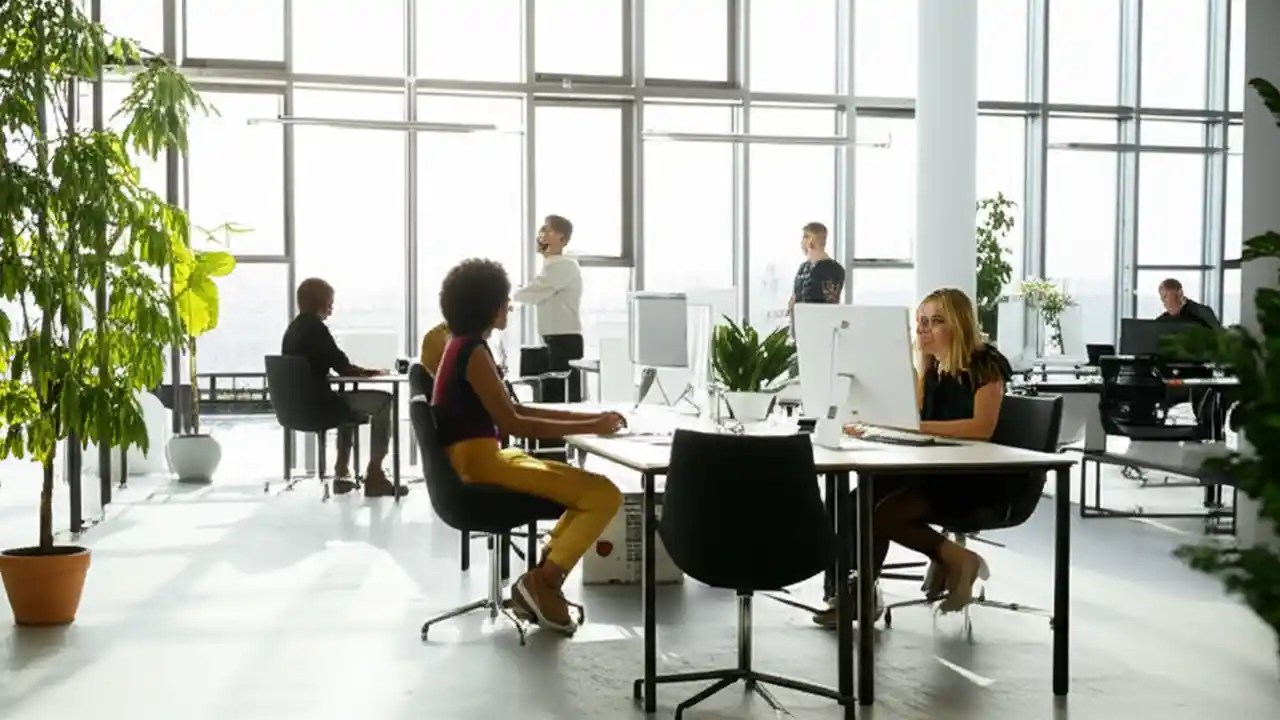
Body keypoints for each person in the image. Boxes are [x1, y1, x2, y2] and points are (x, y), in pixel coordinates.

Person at [433, 258, 624, 635]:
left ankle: (539, 580)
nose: (510, 307)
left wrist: (590, 419)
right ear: (490, 307)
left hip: (483, 458)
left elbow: (514, 410)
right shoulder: (472, 352)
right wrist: (593, 424)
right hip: (483, 465)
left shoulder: (462, 347)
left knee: (589, 491)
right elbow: (514, 423)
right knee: (604, 495)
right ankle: (545, 582)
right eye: (505, 300)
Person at [813, 287, 1007, 627]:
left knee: (883, 513)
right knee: (855, 503)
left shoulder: (986, 365)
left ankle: (958, 559)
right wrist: (873, 423)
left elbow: (981, 429)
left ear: (958, 325)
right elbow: (911, 417)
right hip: (934, 468)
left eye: (934, 321)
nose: (922, 329)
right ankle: (857, 592)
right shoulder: (932, 368)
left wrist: (915, 427)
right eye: (920, 321)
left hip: (975, 478)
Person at [281, 278, 408, 498]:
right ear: (320, 303)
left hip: (297, 408)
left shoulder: (292, 330)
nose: (332, 307)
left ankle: (342, 473)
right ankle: (375, 475)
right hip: (320, 406)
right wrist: (371, 372)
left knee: (345, 403)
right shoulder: (316, 329)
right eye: (330, 302)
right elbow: (343, 367)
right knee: (385, 401)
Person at [513, 214, 584, 401]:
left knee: (561, 396)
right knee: (550, 394)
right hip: (554, 339)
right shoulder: (551, 265)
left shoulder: (564, 265)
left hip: (564, 341)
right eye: (542, 229)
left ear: (562, 238)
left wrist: (508, 297)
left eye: (547, 230)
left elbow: (538, 289)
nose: (541, 234)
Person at [787, 221, 846, 322]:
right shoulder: (804, 267)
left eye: (804, 237)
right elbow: (794, 298)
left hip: (820, 324)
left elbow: (830, 302)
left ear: (810, 239)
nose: (801, 242)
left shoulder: (832, 268)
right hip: (800, 325)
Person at [1157, 278, 1222, 329]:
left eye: (1165, 296)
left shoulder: (1202, 312)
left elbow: (1219, 335)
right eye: (1162, 297)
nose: (1163, 301)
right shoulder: (1162, 320)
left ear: (1180, 293)